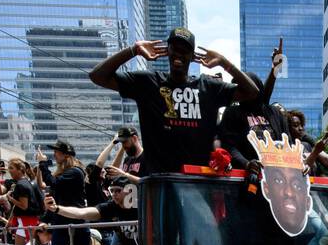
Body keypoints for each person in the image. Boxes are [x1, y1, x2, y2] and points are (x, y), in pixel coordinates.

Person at [88, 27, 259, 174]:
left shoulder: (208, 87)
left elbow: (251, 92)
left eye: (184, 50)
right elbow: (97, 76)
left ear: (192, 56)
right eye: (174, 48)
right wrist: (134, 50)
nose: (179, 54)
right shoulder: (149, 83)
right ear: (167, 50)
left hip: (197, 186)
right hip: (161, 188)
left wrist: (224, 63)